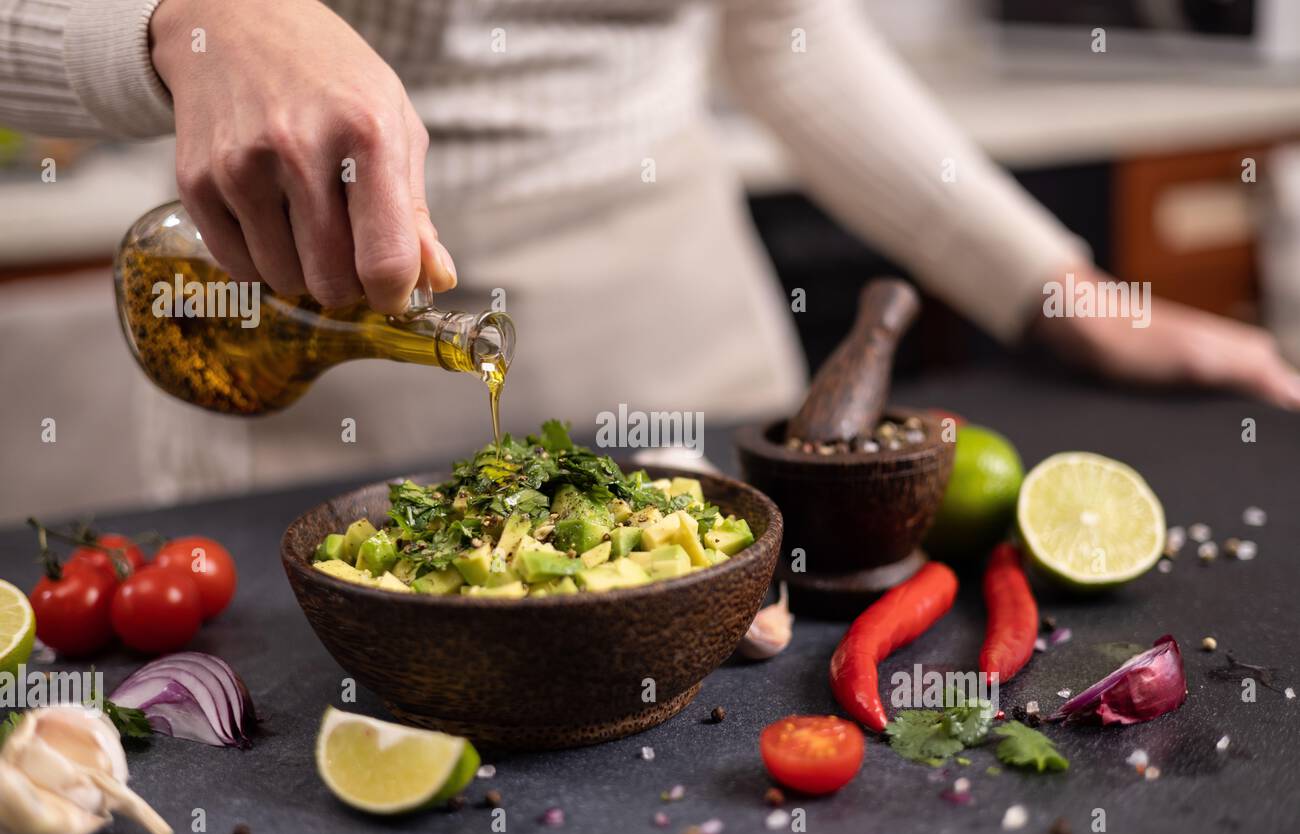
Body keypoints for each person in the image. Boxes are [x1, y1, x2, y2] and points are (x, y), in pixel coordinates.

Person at [1, 0, 1296, 507]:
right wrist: (181, 21)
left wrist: (1051, 283)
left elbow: (779, 27)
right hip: (305, 337)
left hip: (682, 336)